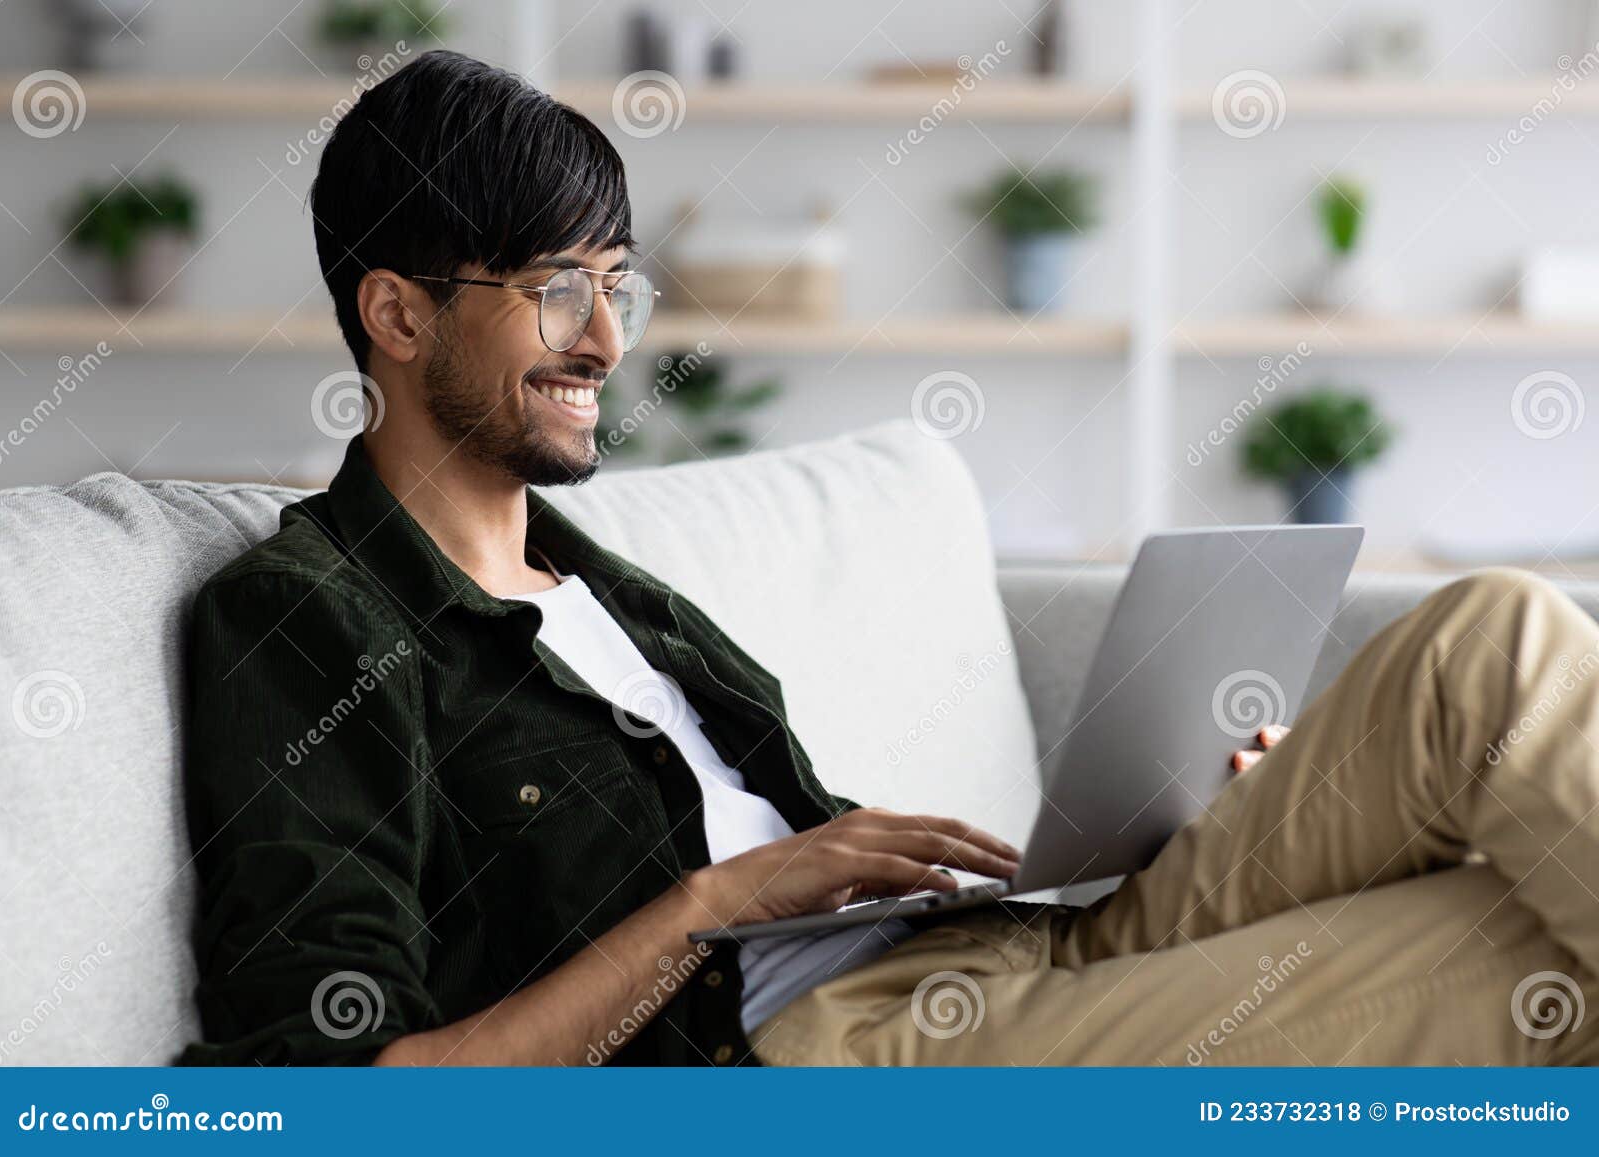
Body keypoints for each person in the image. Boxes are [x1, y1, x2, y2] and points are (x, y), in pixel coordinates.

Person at [177, 50, 1598, 1067]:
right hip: (835, 1054)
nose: (608, 343)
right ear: (399, 316)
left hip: (1009, 942)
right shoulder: (306, 623)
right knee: (1530, 954)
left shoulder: (613, 592)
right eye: (558, 290)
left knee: (1498, 645)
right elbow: (351, 1099)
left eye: (620, 287)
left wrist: (1141, 819)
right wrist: (716, 905)